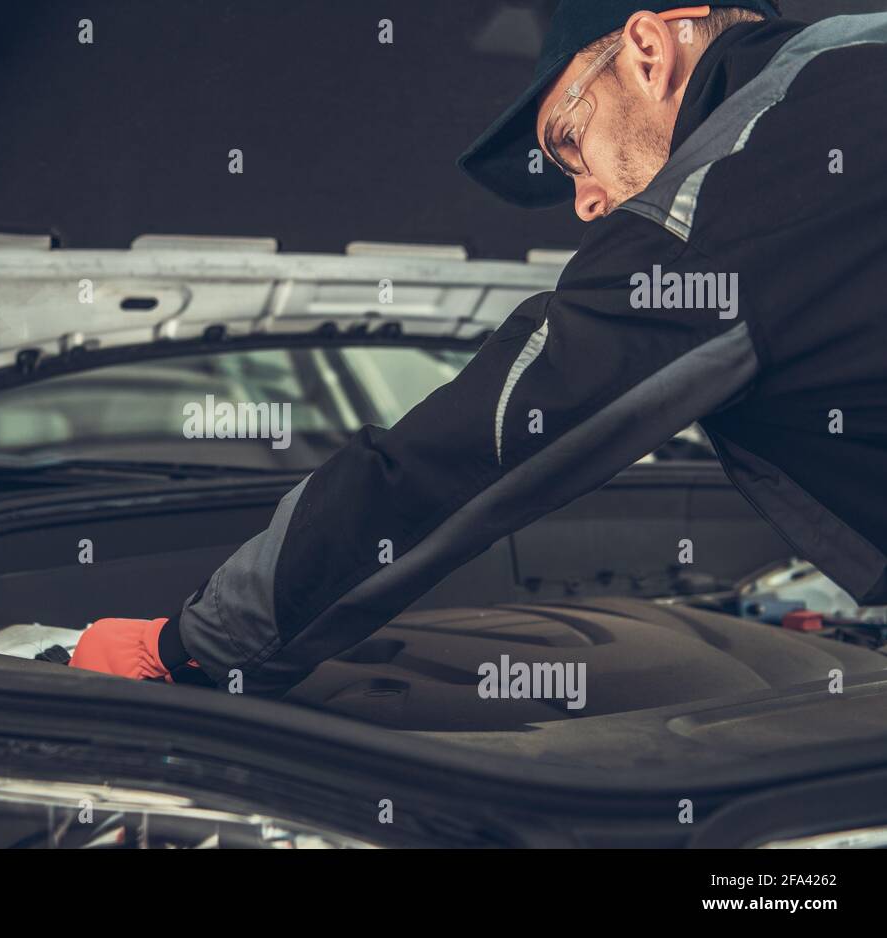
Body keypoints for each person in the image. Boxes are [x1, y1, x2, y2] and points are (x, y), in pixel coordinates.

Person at [70, 1, 887, 697]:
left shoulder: (728, 197)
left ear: (647, 51)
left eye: (570, 141)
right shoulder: (858, 55)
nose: (588, 201)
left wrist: (194, 649)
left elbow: (471, 448)